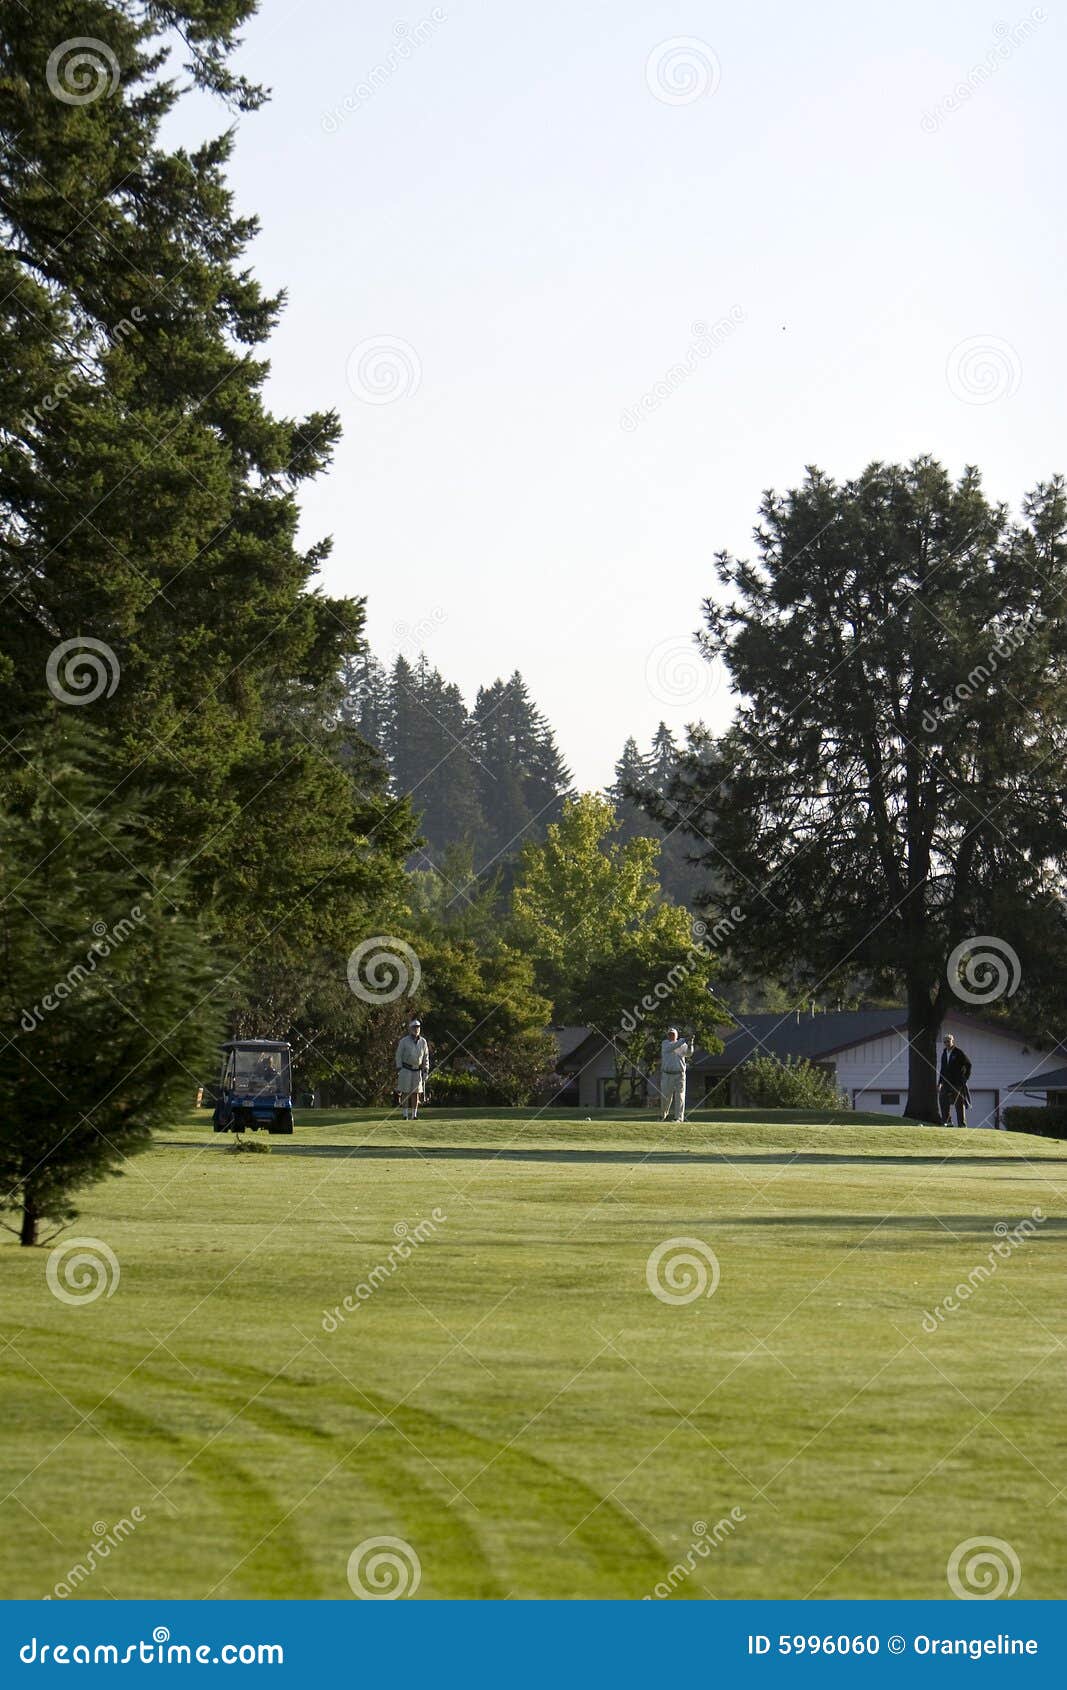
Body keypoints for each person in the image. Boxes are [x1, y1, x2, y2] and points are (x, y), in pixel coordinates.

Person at [395, 1017, 430, 1120]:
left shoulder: (423, 1042)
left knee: (416, 1093)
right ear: (410, 1029)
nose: (416, 1029)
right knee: (405, 1092)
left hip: (417, 1070)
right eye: (414, 1027)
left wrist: (426, 1070)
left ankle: (414, 1115)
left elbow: (426, 1057)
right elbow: (399, 1055)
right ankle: (405, 1115)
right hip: (406, 1069)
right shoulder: (404, 1041)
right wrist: (399, 1068)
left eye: (418, 1027)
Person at [939, 1033, 972, 1127]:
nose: (946, 1043)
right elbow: (942, 1069)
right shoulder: (944, 1053)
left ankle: (962, 1124)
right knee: (943, 1100)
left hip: (957, 1083)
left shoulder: (958, 1052)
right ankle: (948, 1122)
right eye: (945, 1041)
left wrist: (965, 1078)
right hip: (945, 1082)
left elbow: (968, 1064)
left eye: (948, 1041)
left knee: (959, 1103)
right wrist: (939, 1083)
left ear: (952, 1041)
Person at [659, 1026, 690, 1123]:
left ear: (676, 1035)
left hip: (680, 1075)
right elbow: (673, 1046)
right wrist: (685, 1039)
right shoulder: (665, 1044)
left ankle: (678, 1118)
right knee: (665, 1097)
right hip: (667, 1075)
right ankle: (663, 1116)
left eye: (673, 1034)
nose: (671, 1035)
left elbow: (688, 1054)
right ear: (667, 1035)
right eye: (670, 1034)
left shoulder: (682, 1044)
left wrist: (691, 1042)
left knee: (680, 1096)